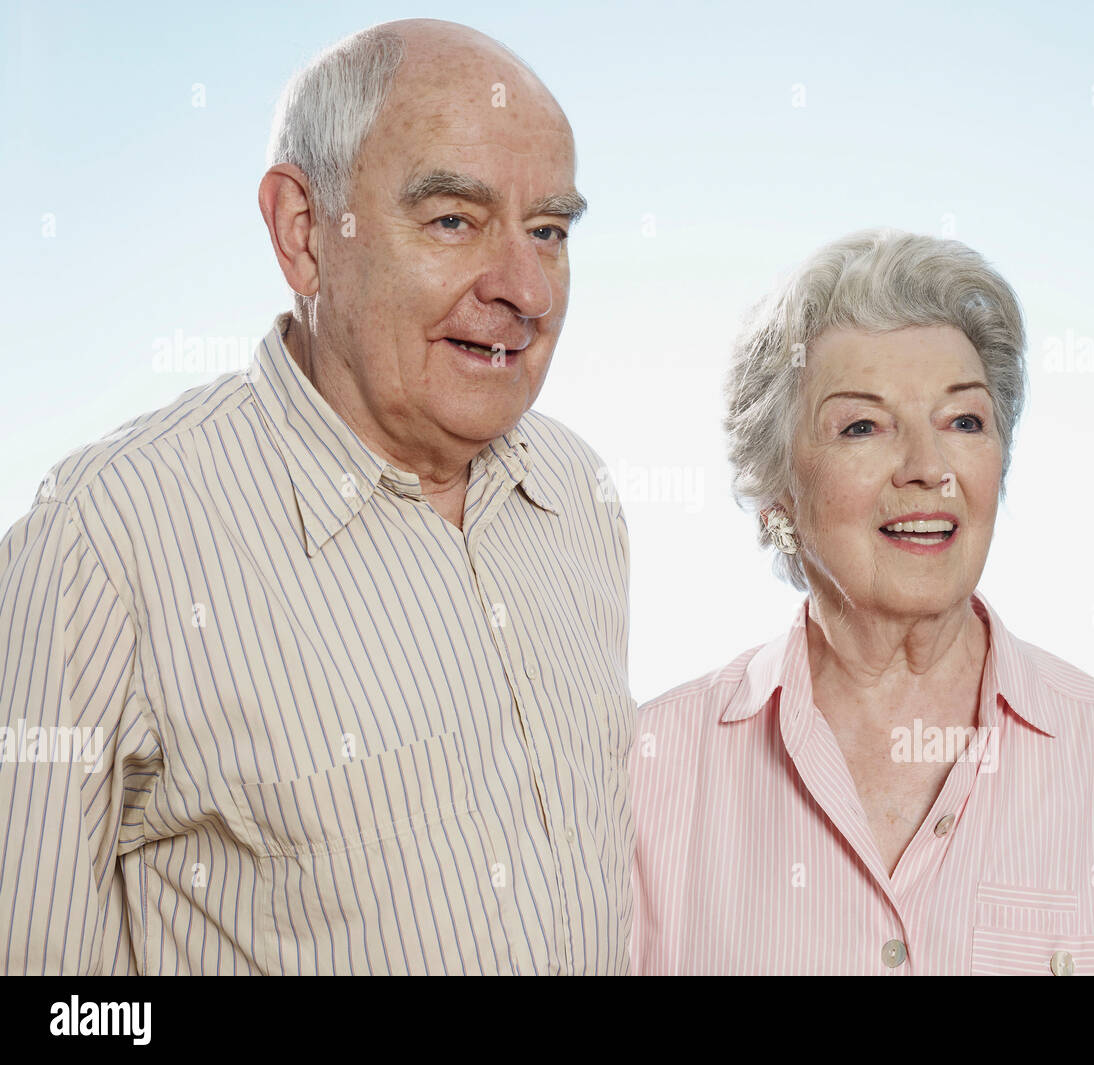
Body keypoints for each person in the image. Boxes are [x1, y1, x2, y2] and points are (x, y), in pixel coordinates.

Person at [0, 19, 633, 975]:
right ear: (304, 233)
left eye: (549, 230)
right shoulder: (104, 536)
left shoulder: (581, 496)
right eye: (453, 219)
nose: (525, 288)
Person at [629, 228, 1094, 975]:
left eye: (963, 422)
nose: (928, 469)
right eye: (863, 425)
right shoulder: (653, 768)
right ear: (778, 488)